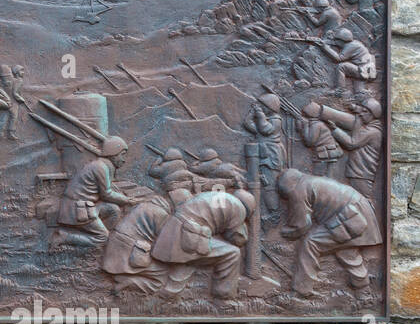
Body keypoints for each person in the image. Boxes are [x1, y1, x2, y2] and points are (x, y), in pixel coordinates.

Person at [277, 169, 381, 297]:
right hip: (359, 211)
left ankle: (301, 291)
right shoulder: (310, 181)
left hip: (351, 216)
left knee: (310, 243)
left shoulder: (298, 189)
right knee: (346, 251)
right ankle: (363, 292)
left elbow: (302, 225)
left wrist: (283, 232)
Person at [150, 190, 255, 299]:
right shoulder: (239, 208)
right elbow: (236, 238)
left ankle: (168, 294)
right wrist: (243, 232)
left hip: (174, 230)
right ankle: (224, 295)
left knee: (191, 258)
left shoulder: (217, 196)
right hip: (190, 235)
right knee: (233, 253)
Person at [56, 136, 134, 241]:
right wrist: (126, 200)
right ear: (113, 154)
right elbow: (106, 194)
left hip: (84, 205)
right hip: (76, 209)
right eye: (122, 155)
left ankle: (102, 235)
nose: (124, 160)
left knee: (114, 209)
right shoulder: (100, 167)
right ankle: (64, 237)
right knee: (102, 237)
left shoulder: (101, 165)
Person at [331, 97, 382, 197]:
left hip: (361, 174)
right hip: (358, 172)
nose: (360, 114)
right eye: (361, 111)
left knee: (364, 201)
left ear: (373, 114)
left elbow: (351, 143)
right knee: (356, 202)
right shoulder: (369, 127)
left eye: (364, 111)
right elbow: (362, 114)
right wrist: (354, 107)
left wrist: (335, 130)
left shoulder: (372, 131)